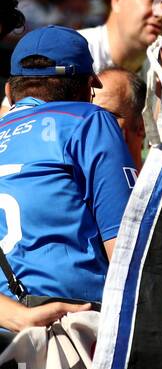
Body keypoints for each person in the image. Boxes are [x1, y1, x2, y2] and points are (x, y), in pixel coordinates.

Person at [0, 27, 134, 309]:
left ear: (9, 91)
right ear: (87, 87)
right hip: (67, 325)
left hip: (7, 322)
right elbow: (127, 247)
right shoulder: (88, 120)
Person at [93, 67, 146, 170]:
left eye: (105, 116)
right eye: (87, 116)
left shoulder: (161, 183)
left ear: (141, 126)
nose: (92, 126)